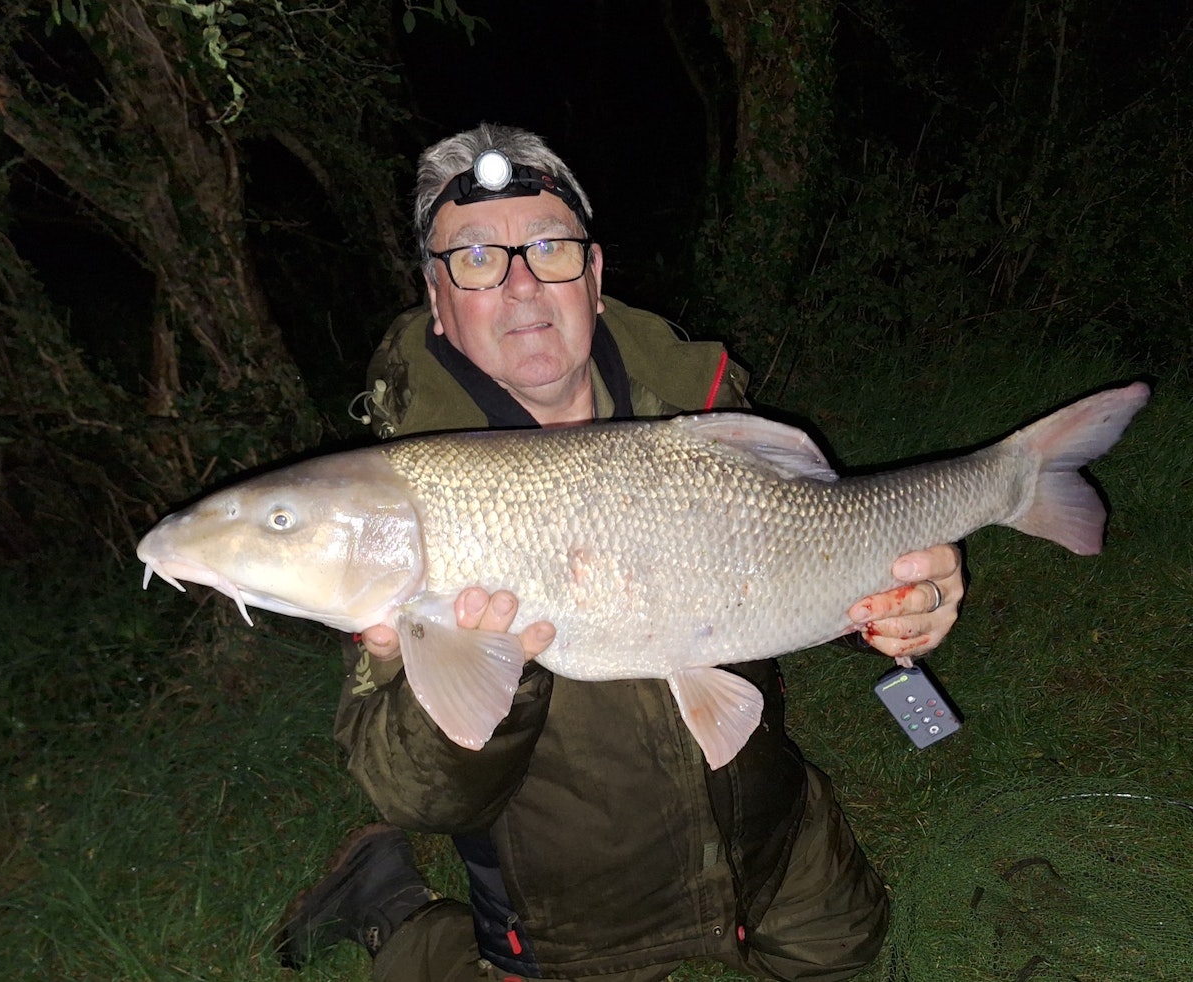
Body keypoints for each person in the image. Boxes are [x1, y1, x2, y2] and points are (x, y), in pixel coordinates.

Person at [274, 123, 963, 982]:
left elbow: (786, 565)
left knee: (848, 952)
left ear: (593, 278)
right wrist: (493, 662)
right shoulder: (396, 495)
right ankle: (389, 906)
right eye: (479, 258)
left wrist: (891, 607)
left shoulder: (699, 411)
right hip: (573, 909)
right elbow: (420, 795)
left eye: (550, 248)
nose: (522, 285)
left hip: (764, 834)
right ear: (438, 302)